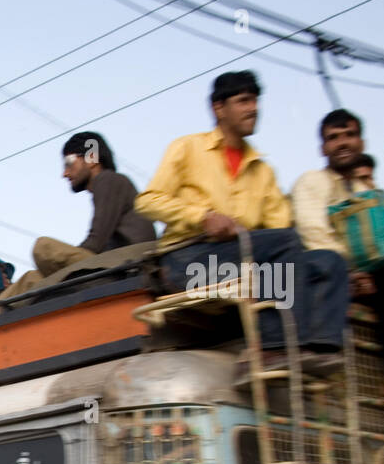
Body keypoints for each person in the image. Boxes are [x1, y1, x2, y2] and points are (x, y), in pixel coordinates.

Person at [135, 71, 351, 384]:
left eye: (255, 101)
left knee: (329, 262)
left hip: (244, 260)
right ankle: (269, 349)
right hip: (188, 263)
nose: (253, 109)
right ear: (218, 108)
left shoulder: (263, 171)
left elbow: (280, 230)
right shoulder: (186, 147)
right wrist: (202, 216)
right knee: (284, 245)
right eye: (243, 101)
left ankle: (319, 348)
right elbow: (147, 201)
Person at [292, 109, 384, 402]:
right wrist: (350, 270)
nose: (342, 143)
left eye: (349, 135)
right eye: (333, 138)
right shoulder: (312, 181)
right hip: (328, 273)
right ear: (323, 148)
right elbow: (314, 233)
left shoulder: (368, 191)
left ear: (361, 142)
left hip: (370, 273)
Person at [4, 132, 156, 299]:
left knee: (43, 247)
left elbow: (94, 243)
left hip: (126, 267)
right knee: (30, 279)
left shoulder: (108, 180)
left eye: (69, 163)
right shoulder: (110, 185)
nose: (65, 173)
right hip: (114, 264)